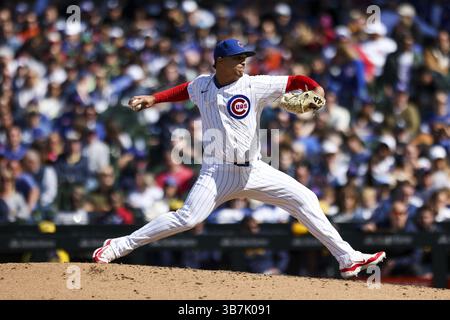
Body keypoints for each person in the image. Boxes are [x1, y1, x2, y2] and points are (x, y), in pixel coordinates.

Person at [93, 39, 386, 278]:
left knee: (305, 199)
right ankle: (118, 246)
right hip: (217, 172)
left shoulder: (253, 84)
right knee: (187, 218)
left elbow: (296, 80)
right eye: (237, 57)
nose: (243, 61)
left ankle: (347, 257)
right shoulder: (202, 85)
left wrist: (317, 89)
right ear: (220, 62)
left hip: (254, 170)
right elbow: (185, 90)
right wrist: (154, 98)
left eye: (244, 56)